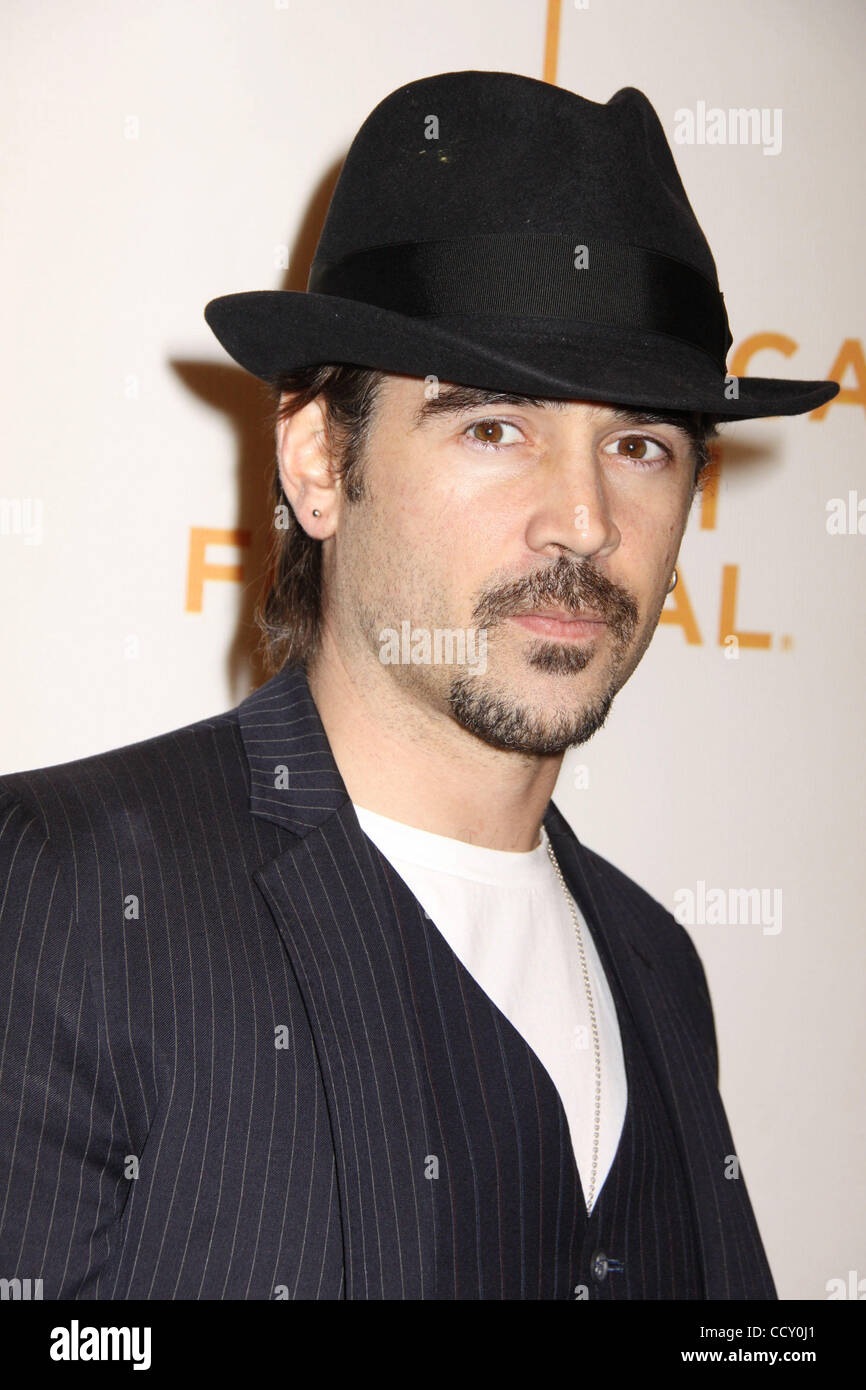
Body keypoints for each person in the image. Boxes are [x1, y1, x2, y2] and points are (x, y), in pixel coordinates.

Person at [0, 70, 837, 1300]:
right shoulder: (63, 889)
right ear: (317, 463)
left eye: (641, 445)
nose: (582, 519)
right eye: (492, 426)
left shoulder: (657, 969)